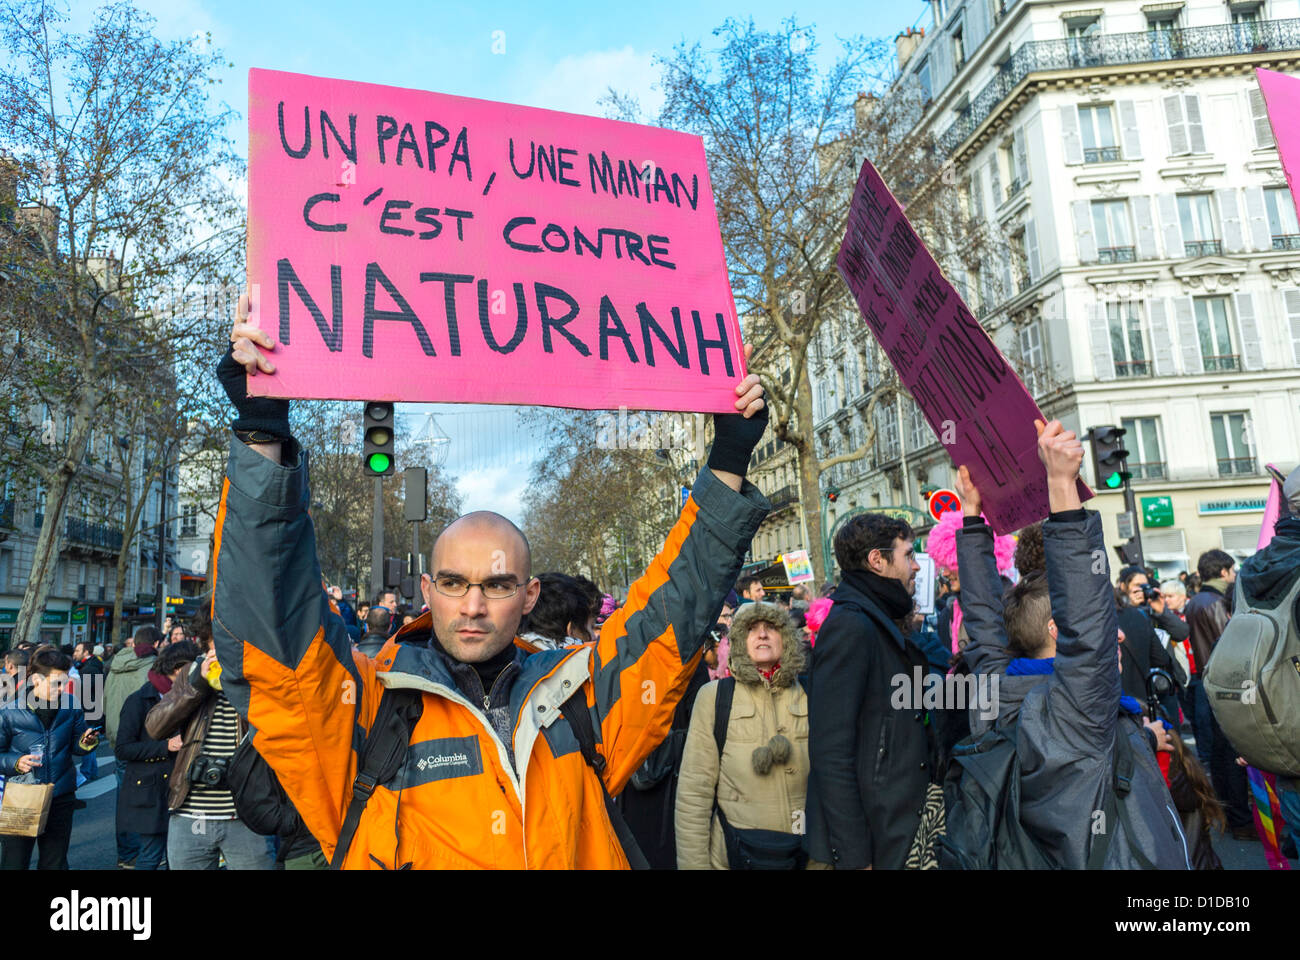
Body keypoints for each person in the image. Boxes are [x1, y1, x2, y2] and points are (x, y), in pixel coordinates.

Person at [207, 301, 770, 868]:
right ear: (426, 591)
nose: (473, 606)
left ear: (528, 597)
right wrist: (262, 432)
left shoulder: (582, 704)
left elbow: (669, 620)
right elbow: (269, 628)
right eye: (454, 583)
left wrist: (728, 457)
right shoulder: (367, 712)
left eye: (498, 586)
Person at [952, 423, 1189, 868]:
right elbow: (1087, 621)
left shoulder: (994, 685)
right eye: (1108, 628)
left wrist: (972, 520)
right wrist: (1061, 486)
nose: (1116, 634)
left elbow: (984, 624)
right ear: (1060, 631)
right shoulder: (1081, 701)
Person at [804, 511, 938, 870]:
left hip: (890, 832)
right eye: (908, 555)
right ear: (877, 561)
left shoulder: (876, 618)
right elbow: (830, 752)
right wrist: (855, 857)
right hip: (868, 845)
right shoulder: (851, 624)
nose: (917, 567)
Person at [675, 601, 809, 869]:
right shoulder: (714, 698)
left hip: (806, 852)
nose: (762, 634)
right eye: (751, 629)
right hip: (736, 853)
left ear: (785, 637)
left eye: (771, 627)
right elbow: (694, 793)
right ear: (738, 642)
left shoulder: (810, 692)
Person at [144, 634, 272, 870]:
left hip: (247, 816)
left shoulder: (262, 671)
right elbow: (155, 727)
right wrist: (198, 685)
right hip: (192, 815)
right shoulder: (191, 672)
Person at [0, 646, 98, 869]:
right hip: (22, 795)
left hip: (60, 793)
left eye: (65, 682)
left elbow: (77, 746)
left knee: (54, 863)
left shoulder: (71, 705)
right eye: (57, 683)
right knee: (14, 863)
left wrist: (87, 742)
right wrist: (16, 763)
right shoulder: (9, 710)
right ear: (36, 679)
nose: (63, 688)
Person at [1185, 548, 1253, 839]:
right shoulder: (1214, 603)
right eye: (1232, 570)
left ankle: (1228, 812)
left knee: (1220, 753)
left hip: (1205, 680)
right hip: (1222, 680)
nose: (1234, 575)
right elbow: (1228, 639)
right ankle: (1239, 818)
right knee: (1231, 753)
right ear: (1223, 572)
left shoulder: (1195, 601)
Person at [114, 641, 197, 870]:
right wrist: (165, 747)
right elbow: (123, 748)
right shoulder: (139, 700)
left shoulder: (190, 696)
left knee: (179, 857)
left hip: (183, 787)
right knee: (151, 854)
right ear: (178, 670)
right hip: (151, 790)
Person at [103, 624, 161, 868]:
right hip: (142, 742)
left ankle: (126, 853)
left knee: (123, 798)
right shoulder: (151, 667)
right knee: (145, 800)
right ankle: (143, 853)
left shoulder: (114, 664)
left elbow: (104, 700)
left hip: (118, 737)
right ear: (156, 644)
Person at [519, 572, 601, 650]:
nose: (594, 637)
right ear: (571, 630)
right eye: (591, 627)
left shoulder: (516, 651)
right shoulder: (575, 661)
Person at [72, 641, 105, 782]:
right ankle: (91, 771)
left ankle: (87, 771)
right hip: (92, 708)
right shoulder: (91, 666)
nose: (75, 653)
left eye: (78, 651)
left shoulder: (89, 669)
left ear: (86, 652)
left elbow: (84, 691)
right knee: (89, 737)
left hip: (89, 709)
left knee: (86, 739)